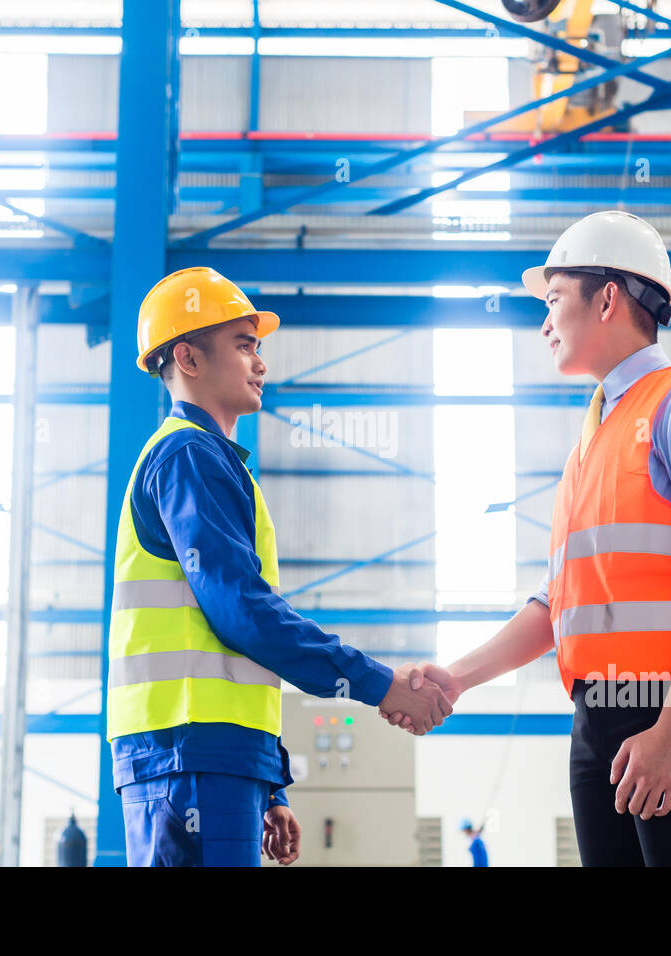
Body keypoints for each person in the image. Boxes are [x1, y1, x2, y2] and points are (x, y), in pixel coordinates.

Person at [382, 212, 671, 866]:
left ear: (608, 298)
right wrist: (459, 677)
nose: (544, 322)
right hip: (599, 718)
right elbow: (557, 604)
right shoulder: (592, 438)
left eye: (555, 299)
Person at [109, 266, 453, 867]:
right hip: (188, 752)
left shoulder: (212, 461)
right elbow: (242, 612)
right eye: (244, 347)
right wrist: (381, 684)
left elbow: (225, 642)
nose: (261, 363)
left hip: (206, 755)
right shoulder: (189, 455)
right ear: (188, 358)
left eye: (258, 348)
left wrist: (267, 778)